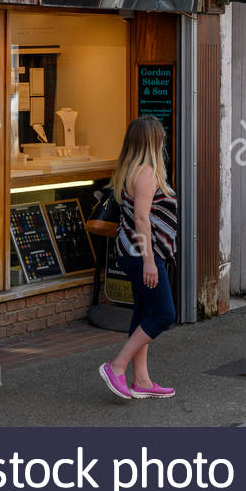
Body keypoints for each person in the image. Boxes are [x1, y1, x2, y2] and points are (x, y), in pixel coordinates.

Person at [99, 117, 178, 400]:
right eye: (161, 136)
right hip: (143, 253)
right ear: (152, 141)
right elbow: (142, 219)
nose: (164, 140)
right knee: (164, 314)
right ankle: (116, 366)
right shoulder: (146, 173)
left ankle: (142, 380)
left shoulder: (129, 170)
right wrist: (149, 260)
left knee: (144, 313)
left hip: (129, 251)